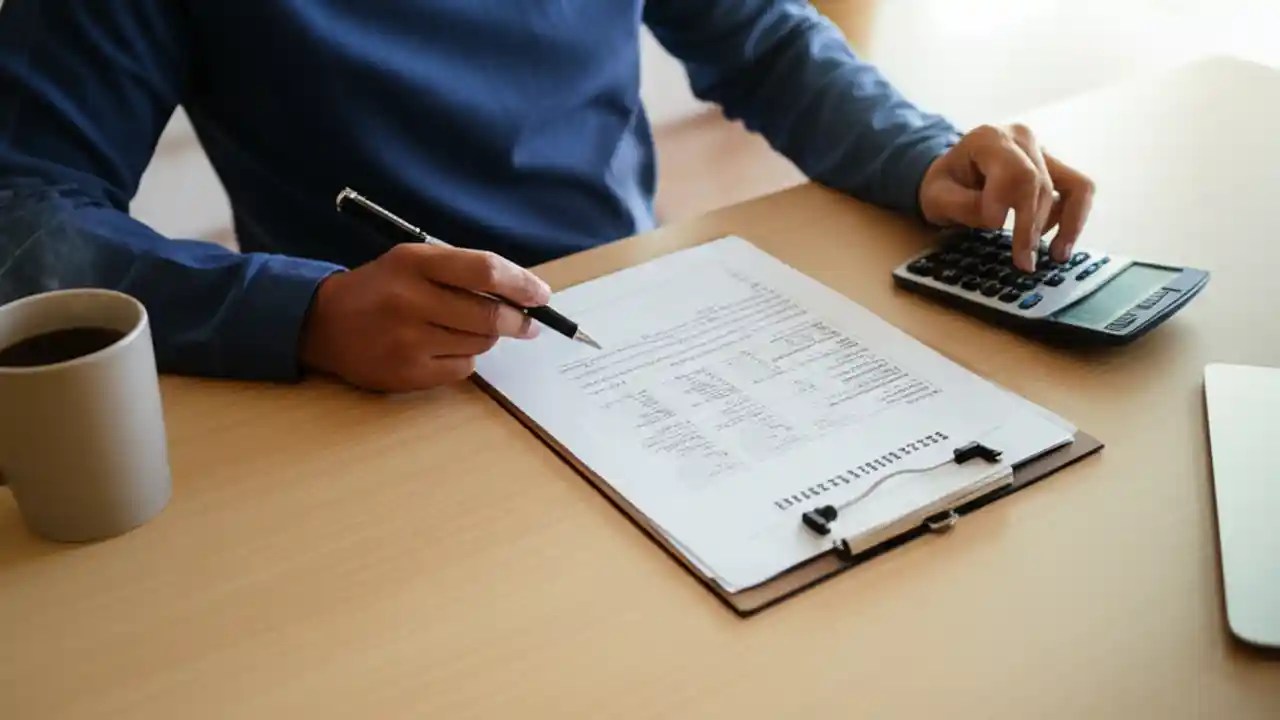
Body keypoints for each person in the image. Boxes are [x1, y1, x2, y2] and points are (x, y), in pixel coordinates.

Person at [0, 1, 1093, 392]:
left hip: (619, 325)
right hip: (364, 385)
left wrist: (916, 156)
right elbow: (23, 205)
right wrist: (300, 314)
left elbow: (759, 38)